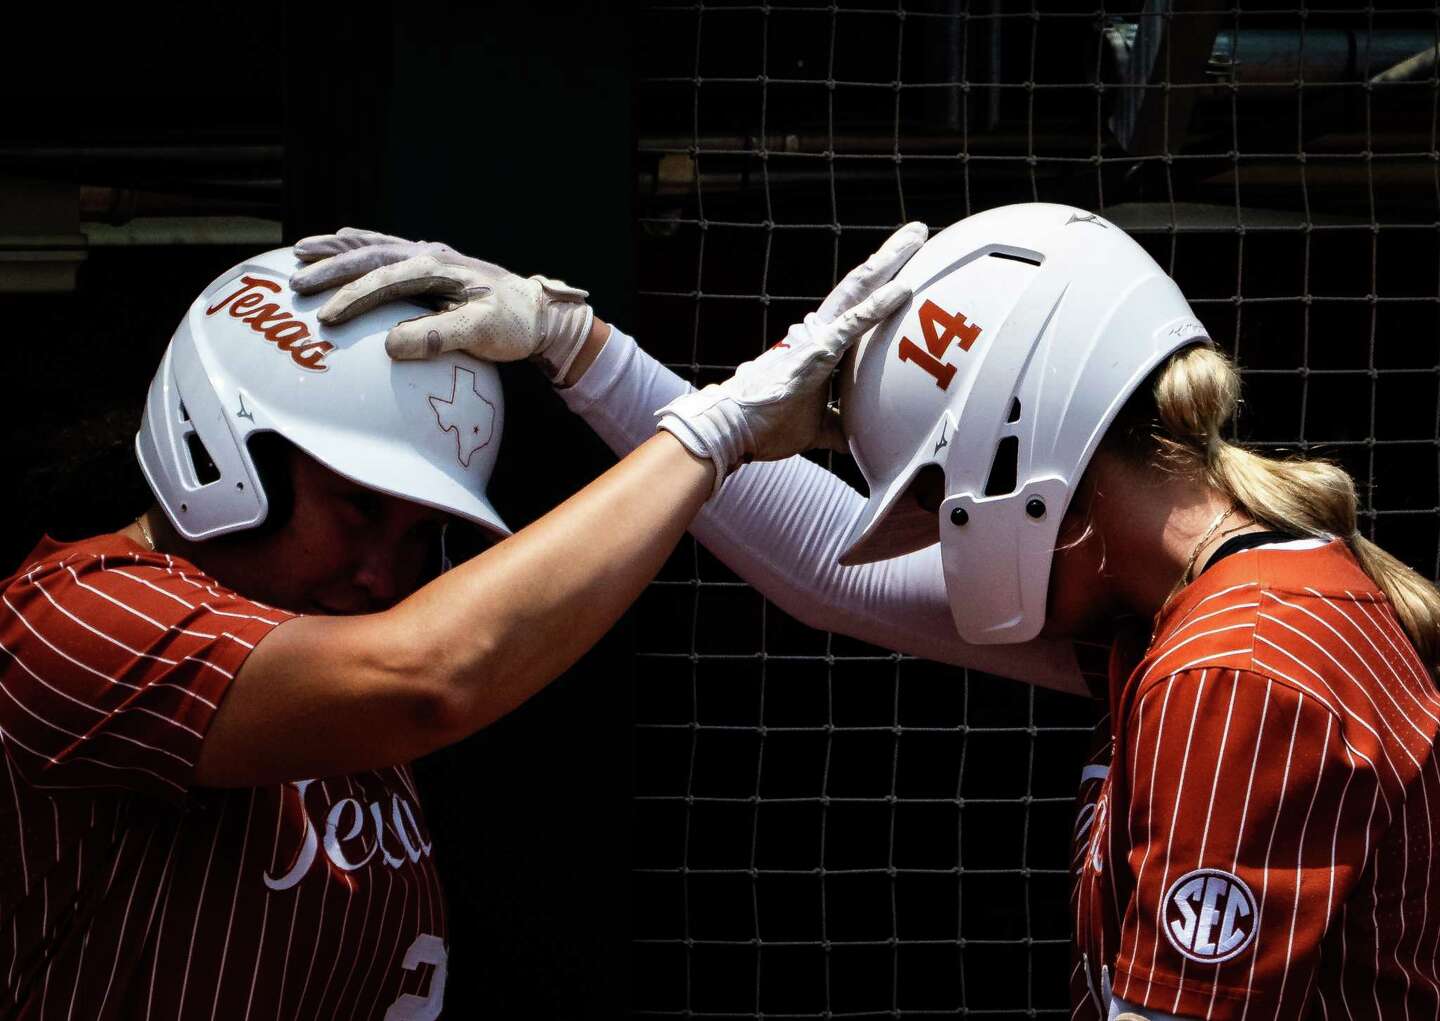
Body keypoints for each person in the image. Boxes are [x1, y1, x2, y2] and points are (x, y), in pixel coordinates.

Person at [297, 203, 1440, 1021]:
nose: (944, 529)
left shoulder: (1231, 666)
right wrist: (577, 343)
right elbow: (828, 571)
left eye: (939, 492)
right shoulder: (1217, 609)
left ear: (1027, 445)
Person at [0, 235, 914, 1018]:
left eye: (421, 537)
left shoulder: (324, 639)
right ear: (227, 446)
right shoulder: (70, 616)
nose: (384, 576)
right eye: (359, 509)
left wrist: (580, 342)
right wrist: (716, 429)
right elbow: (429, 677)